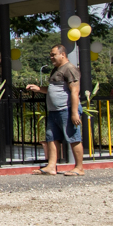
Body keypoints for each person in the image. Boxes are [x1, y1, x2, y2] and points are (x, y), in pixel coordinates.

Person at [26, 44, 84, 176]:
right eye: (50, 55)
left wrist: (74, 113)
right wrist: (39, 89)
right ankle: (51, 166)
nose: (51, 57)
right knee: (51, 137)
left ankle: (79, 167)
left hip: (66, 109)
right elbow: (55, 89)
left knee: (73, 138)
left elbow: (75, 92)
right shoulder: (56, 70)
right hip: (54, 111)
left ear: (62, 55)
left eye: (54, 55)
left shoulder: (70, 69)